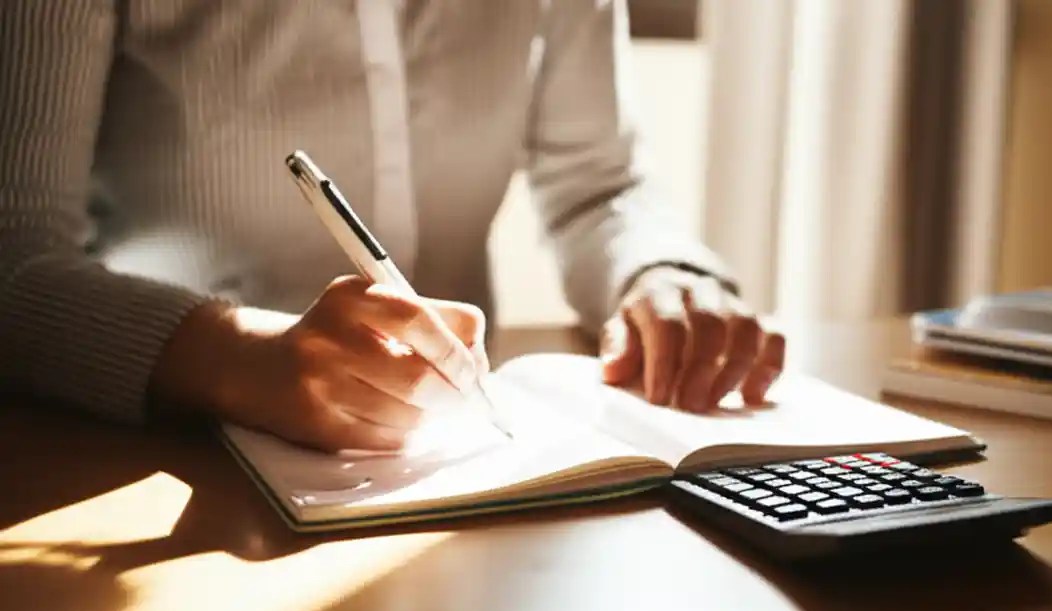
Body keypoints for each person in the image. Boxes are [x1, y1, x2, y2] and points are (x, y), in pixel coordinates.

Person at [0, 0, 784, 452]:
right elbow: (14, 252)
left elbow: (598, 184)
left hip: (450, 467)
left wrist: (662, 273)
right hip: (144, 463)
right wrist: (238, 358)